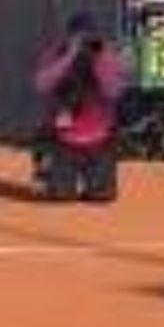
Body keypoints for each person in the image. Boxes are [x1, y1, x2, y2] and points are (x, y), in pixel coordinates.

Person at [31, 13, 128, 203]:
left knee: (101, 197)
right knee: (61, 197)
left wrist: (100, 60)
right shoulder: (57, 53)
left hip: (99, 139)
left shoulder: (104, 55)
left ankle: (91, 180)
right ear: (69, 35)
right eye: (79, 36)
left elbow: (113, 91)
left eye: (88, 36)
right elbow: (41, 84)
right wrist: (69, 55)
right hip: (64, 139)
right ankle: (46, 174)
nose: (84, 41)